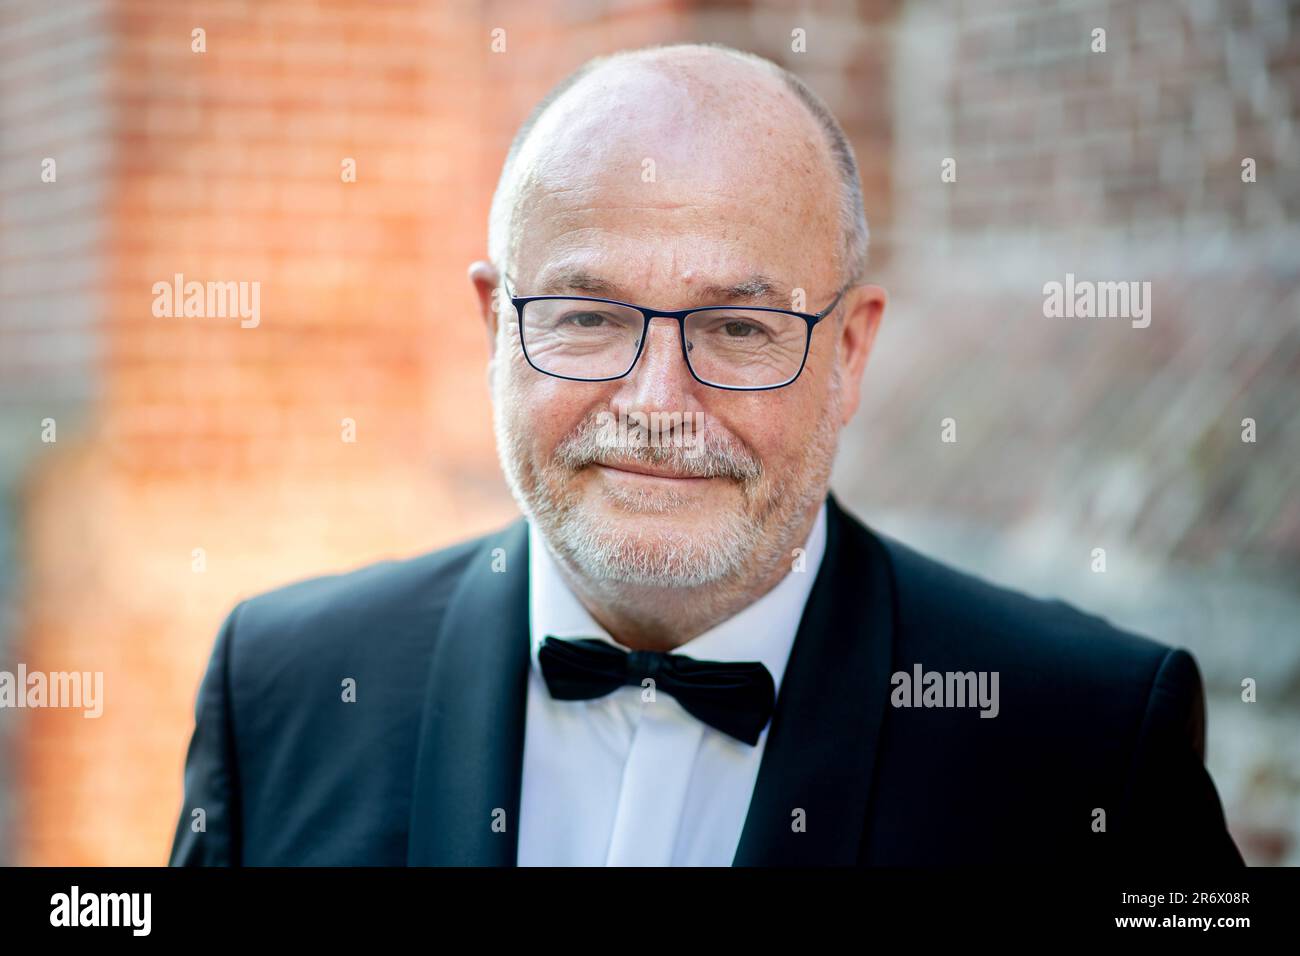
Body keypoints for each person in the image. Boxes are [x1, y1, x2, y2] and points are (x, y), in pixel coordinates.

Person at [169, 42, 1242, 866]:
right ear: (496, 327)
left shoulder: (1091, 739)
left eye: (737, 329)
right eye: (587, 315)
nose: (656, 402)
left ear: (849, 351)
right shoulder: (279, 688)